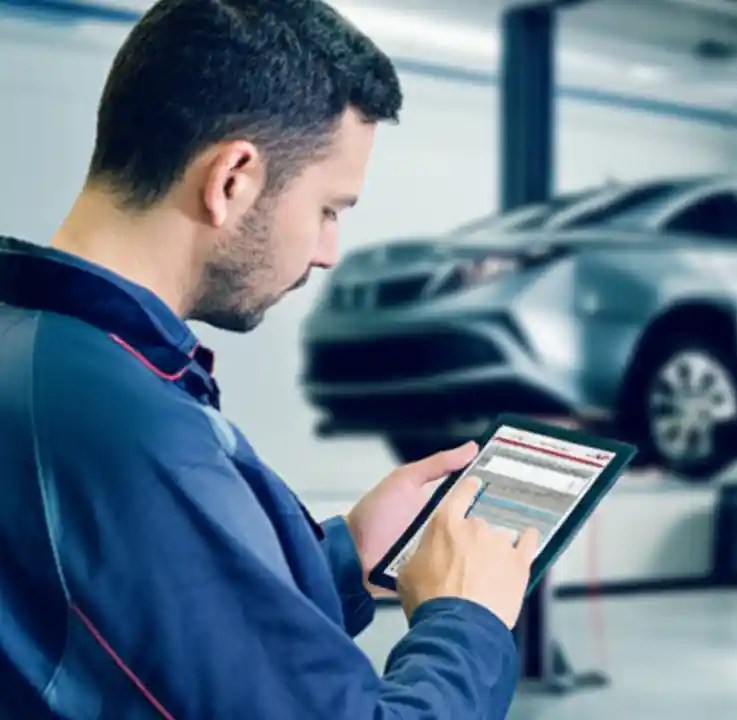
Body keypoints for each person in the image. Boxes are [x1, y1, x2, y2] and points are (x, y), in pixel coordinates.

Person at [0, 0, 539, 717]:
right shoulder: (127, 432)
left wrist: (345, 558)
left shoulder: (43, 344)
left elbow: (134, 605)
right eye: (328, 209)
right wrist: (466, 618)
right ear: (233, 180)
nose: (327, 252)